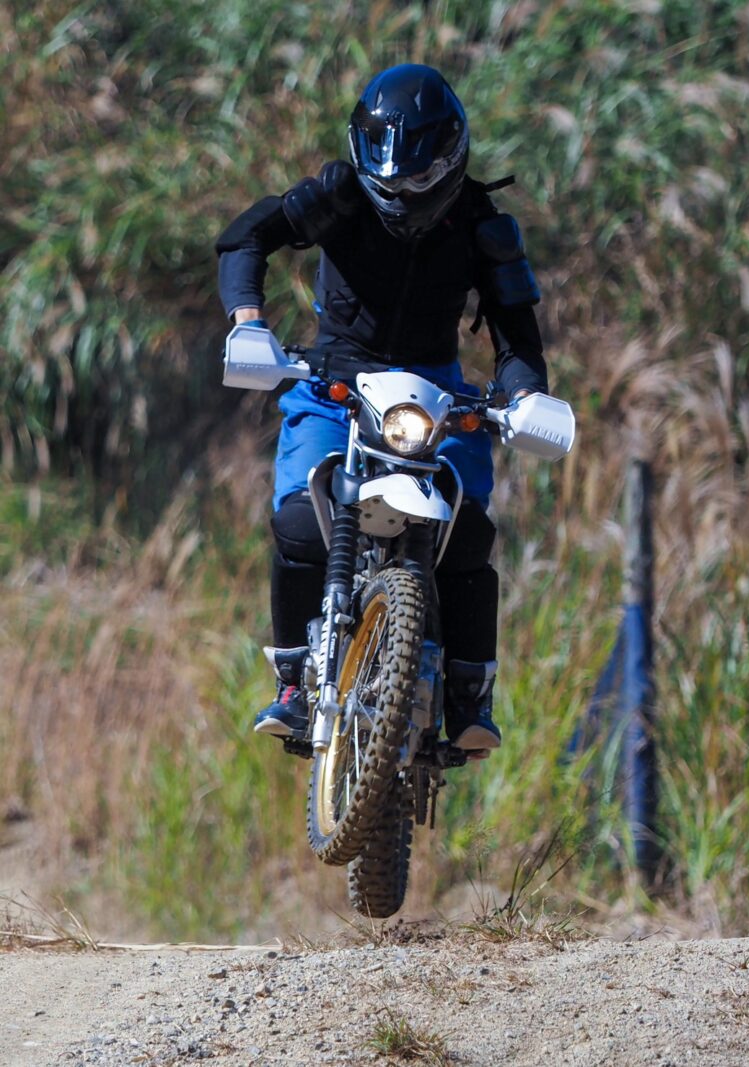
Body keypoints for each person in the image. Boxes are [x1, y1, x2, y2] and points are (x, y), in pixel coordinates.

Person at [215, 63, 548, 752]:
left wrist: (524, 398)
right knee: (299, 525)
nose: (398, 190)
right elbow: (248, 236)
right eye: (385, 173)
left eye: (417, 178)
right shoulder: (337, 195)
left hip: (438, 395)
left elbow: (520, 338)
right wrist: (248, 322)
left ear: (452, 160)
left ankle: (468, 696)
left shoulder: (485, 229)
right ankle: (291, 683)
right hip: (333, 381)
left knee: (470, 535)